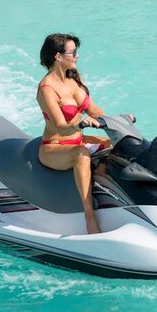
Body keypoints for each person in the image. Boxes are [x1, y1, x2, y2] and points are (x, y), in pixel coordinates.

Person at [36, 33, 111, 234]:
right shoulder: (47, 88)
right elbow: (60, 125)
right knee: (82, 154)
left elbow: (94, 111)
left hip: (78, 140)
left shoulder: (73, 80)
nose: (77, 56)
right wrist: (80, 123)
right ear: (58, 57)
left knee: (114, 145)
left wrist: (118, 123)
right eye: (73, 52)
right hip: (54, 148)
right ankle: (90, 217)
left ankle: (102, 186)